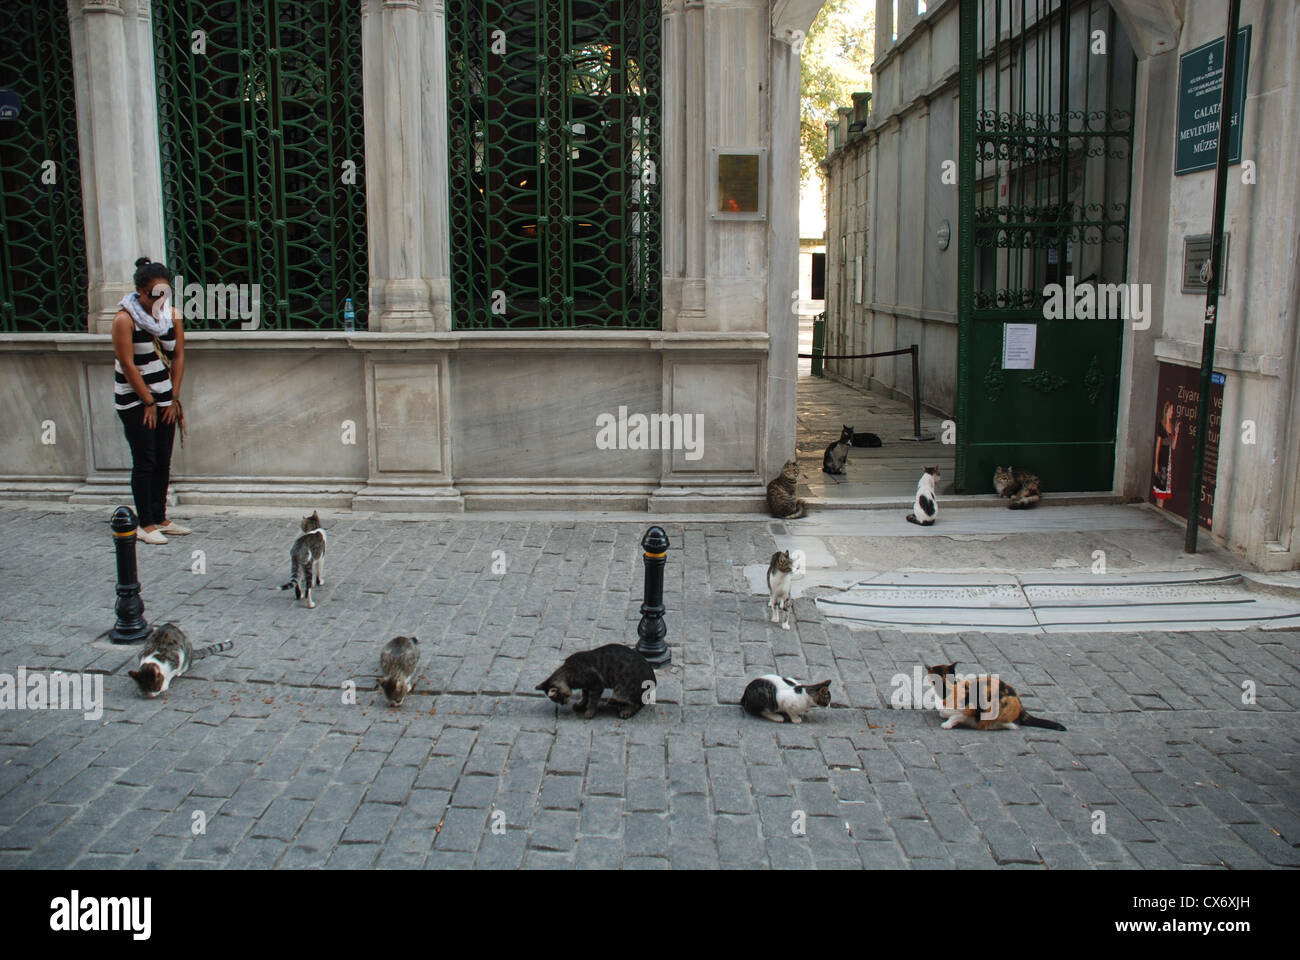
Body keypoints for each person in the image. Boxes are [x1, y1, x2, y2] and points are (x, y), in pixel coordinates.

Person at [112, 257, 191, 544]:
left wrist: (172, 398)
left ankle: (160, 517)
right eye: (153, 294)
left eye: (164, 293)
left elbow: (179, 355)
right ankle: (144, 523)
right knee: (144, 460)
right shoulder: (125, 319)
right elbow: (127, 364)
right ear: (140, 292)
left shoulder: (173, 315)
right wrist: (148, 401)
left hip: (165, 399)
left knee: (163, 460)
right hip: (136, 401)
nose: (159, 299)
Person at [1152, 400, 1180, 508]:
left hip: (1168, 460)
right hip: (1161, 459)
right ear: (1167, 411)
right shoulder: (1161, 425)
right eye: (1171, 410)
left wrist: (1176, 433)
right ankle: (1158, 510)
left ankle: (1159, 509)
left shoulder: (1171, 426)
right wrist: (1156, 463)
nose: (1172, 412)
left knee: (1163, 490)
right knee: (1160, 488)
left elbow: (1173, 446)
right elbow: (1158, 444)